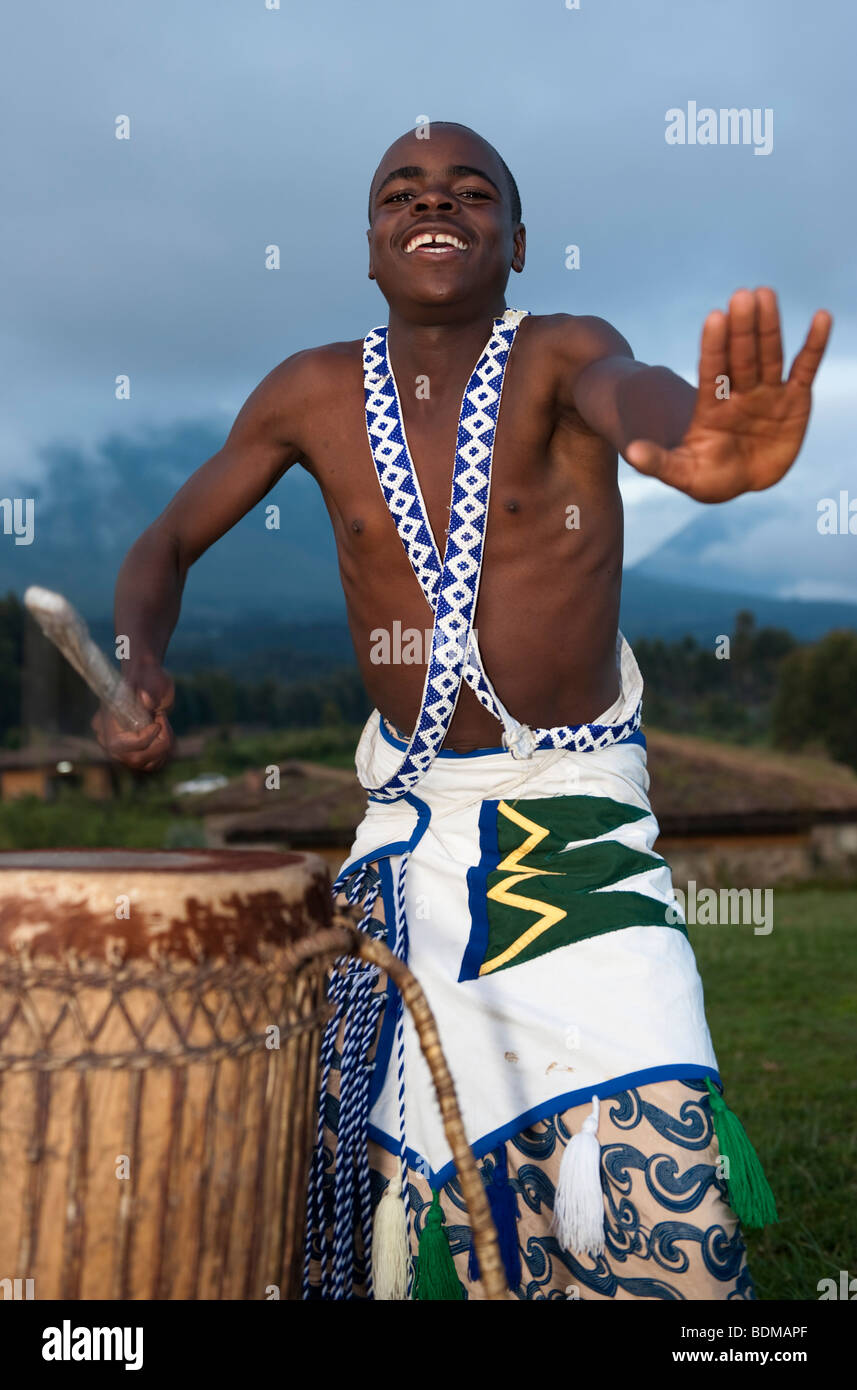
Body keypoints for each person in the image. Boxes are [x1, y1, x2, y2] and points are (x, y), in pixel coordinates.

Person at [94, 122, 831, 1300]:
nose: (435, 201)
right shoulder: (311, 391)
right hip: (411, 829)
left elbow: (630, 394)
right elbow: (164, 541)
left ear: (519, 240)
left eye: (471, 190)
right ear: (372, 244)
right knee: (395, 1166)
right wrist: (137, 663)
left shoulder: (562, 355)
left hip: (575, 816)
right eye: (403, 190)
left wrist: (692, 439)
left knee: (646, 1119)